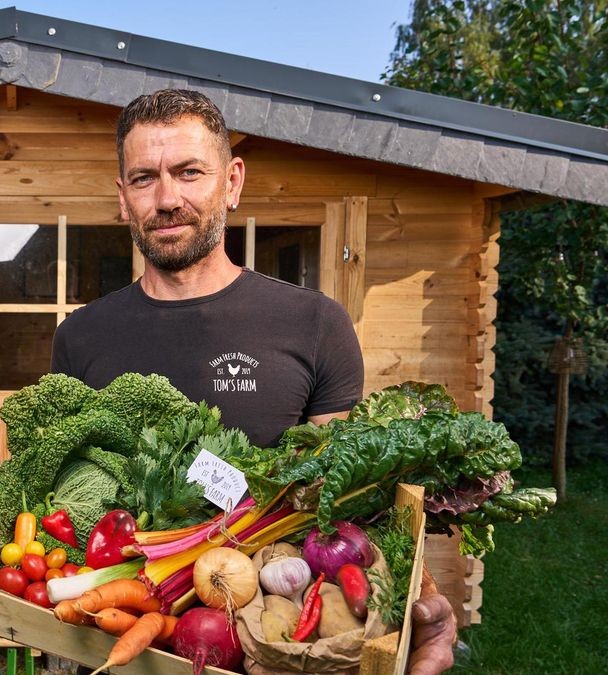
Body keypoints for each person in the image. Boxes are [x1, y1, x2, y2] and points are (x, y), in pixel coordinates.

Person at [51, 89, 456, 674]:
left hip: (268, 634)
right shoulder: (81, 336)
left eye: (190, 172)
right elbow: (60, 499)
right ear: (122, 198)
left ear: (233, 182)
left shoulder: (315, 324)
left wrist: (425, 609)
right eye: (144, 179)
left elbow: (346, 509)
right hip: (120, 630)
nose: (167, 199)